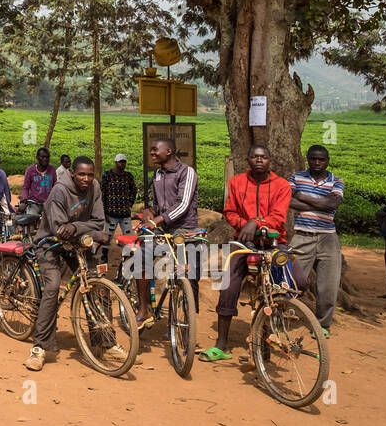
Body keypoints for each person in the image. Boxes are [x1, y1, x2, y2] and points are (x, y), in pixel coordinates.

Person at [200, 144, 310, 363]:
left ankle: (272, 328)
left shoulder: (281, 185)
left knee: (300, 281)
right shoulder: (237, 182)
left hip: (274, 241)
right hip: (243, 241)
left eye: (264, 157)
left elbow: (278, 216)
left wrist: (256, 222)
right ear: (248, 160)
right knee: (228, 285)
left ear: (270, 160)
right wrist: (244, 225)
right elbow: (229, 211)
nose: (259, 160)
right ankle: (221, 344)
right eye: (255, 157)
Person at [25, 157, 108, 371]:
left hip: (77, 241)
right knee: (52, 288)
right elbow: (59, 228)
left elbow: (99, 222)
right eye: (82, 174)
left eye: (90, 174)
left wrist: (77, 227)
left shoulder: (95, 187)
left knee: (95, 284)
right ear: (72, 173)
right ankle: (40, 348)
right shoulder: (59, 191)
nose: (87, 179)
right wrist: (87, 230)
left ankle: (104, 342)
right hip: (49, 244)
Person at [134, 137, 200, 324]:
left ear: (169, 151)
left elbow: (183, 204)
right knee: (141, 257)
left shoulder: (187, 172)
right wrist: (150, 211)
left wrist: (155, 221)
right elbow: (158, 205)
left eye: (155, 149)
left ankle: (189, 325)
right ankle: (144, 308)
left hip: (185, 230)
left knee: (188, 276)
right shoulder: (157, 174)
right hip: (164, 231)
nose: (152, 152)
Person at [288, 144, 345, 335]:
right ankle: (284, 316)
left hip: (328, 238)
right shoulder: (296, 177)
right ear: (308, 159)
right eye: (313, 158)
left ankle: (323, 325)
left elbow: (333, 204)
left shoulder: (337, 181)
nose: (317, 162)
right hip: (302, 236)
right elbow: (288, 201)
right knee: (291, 280)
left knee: (328, 285)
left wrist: (302, 196)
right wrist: (322, 204)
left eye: (321, 159)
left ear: (328, 160)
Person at [99, 153, 137, 237]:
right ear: (116, 162)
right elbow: (102, 193)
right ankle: (105, 250)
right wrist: (104, 211)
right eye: (120, 162)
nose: (122, 164)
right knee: (107, 237)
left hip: (125, 214)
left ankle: (127, 250)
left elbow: (133, 190)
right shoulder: (107, 175)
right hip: (111, 213)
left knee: (129, 237)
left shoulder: (128, 176)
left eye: (124, 162)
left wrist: (130, 203)